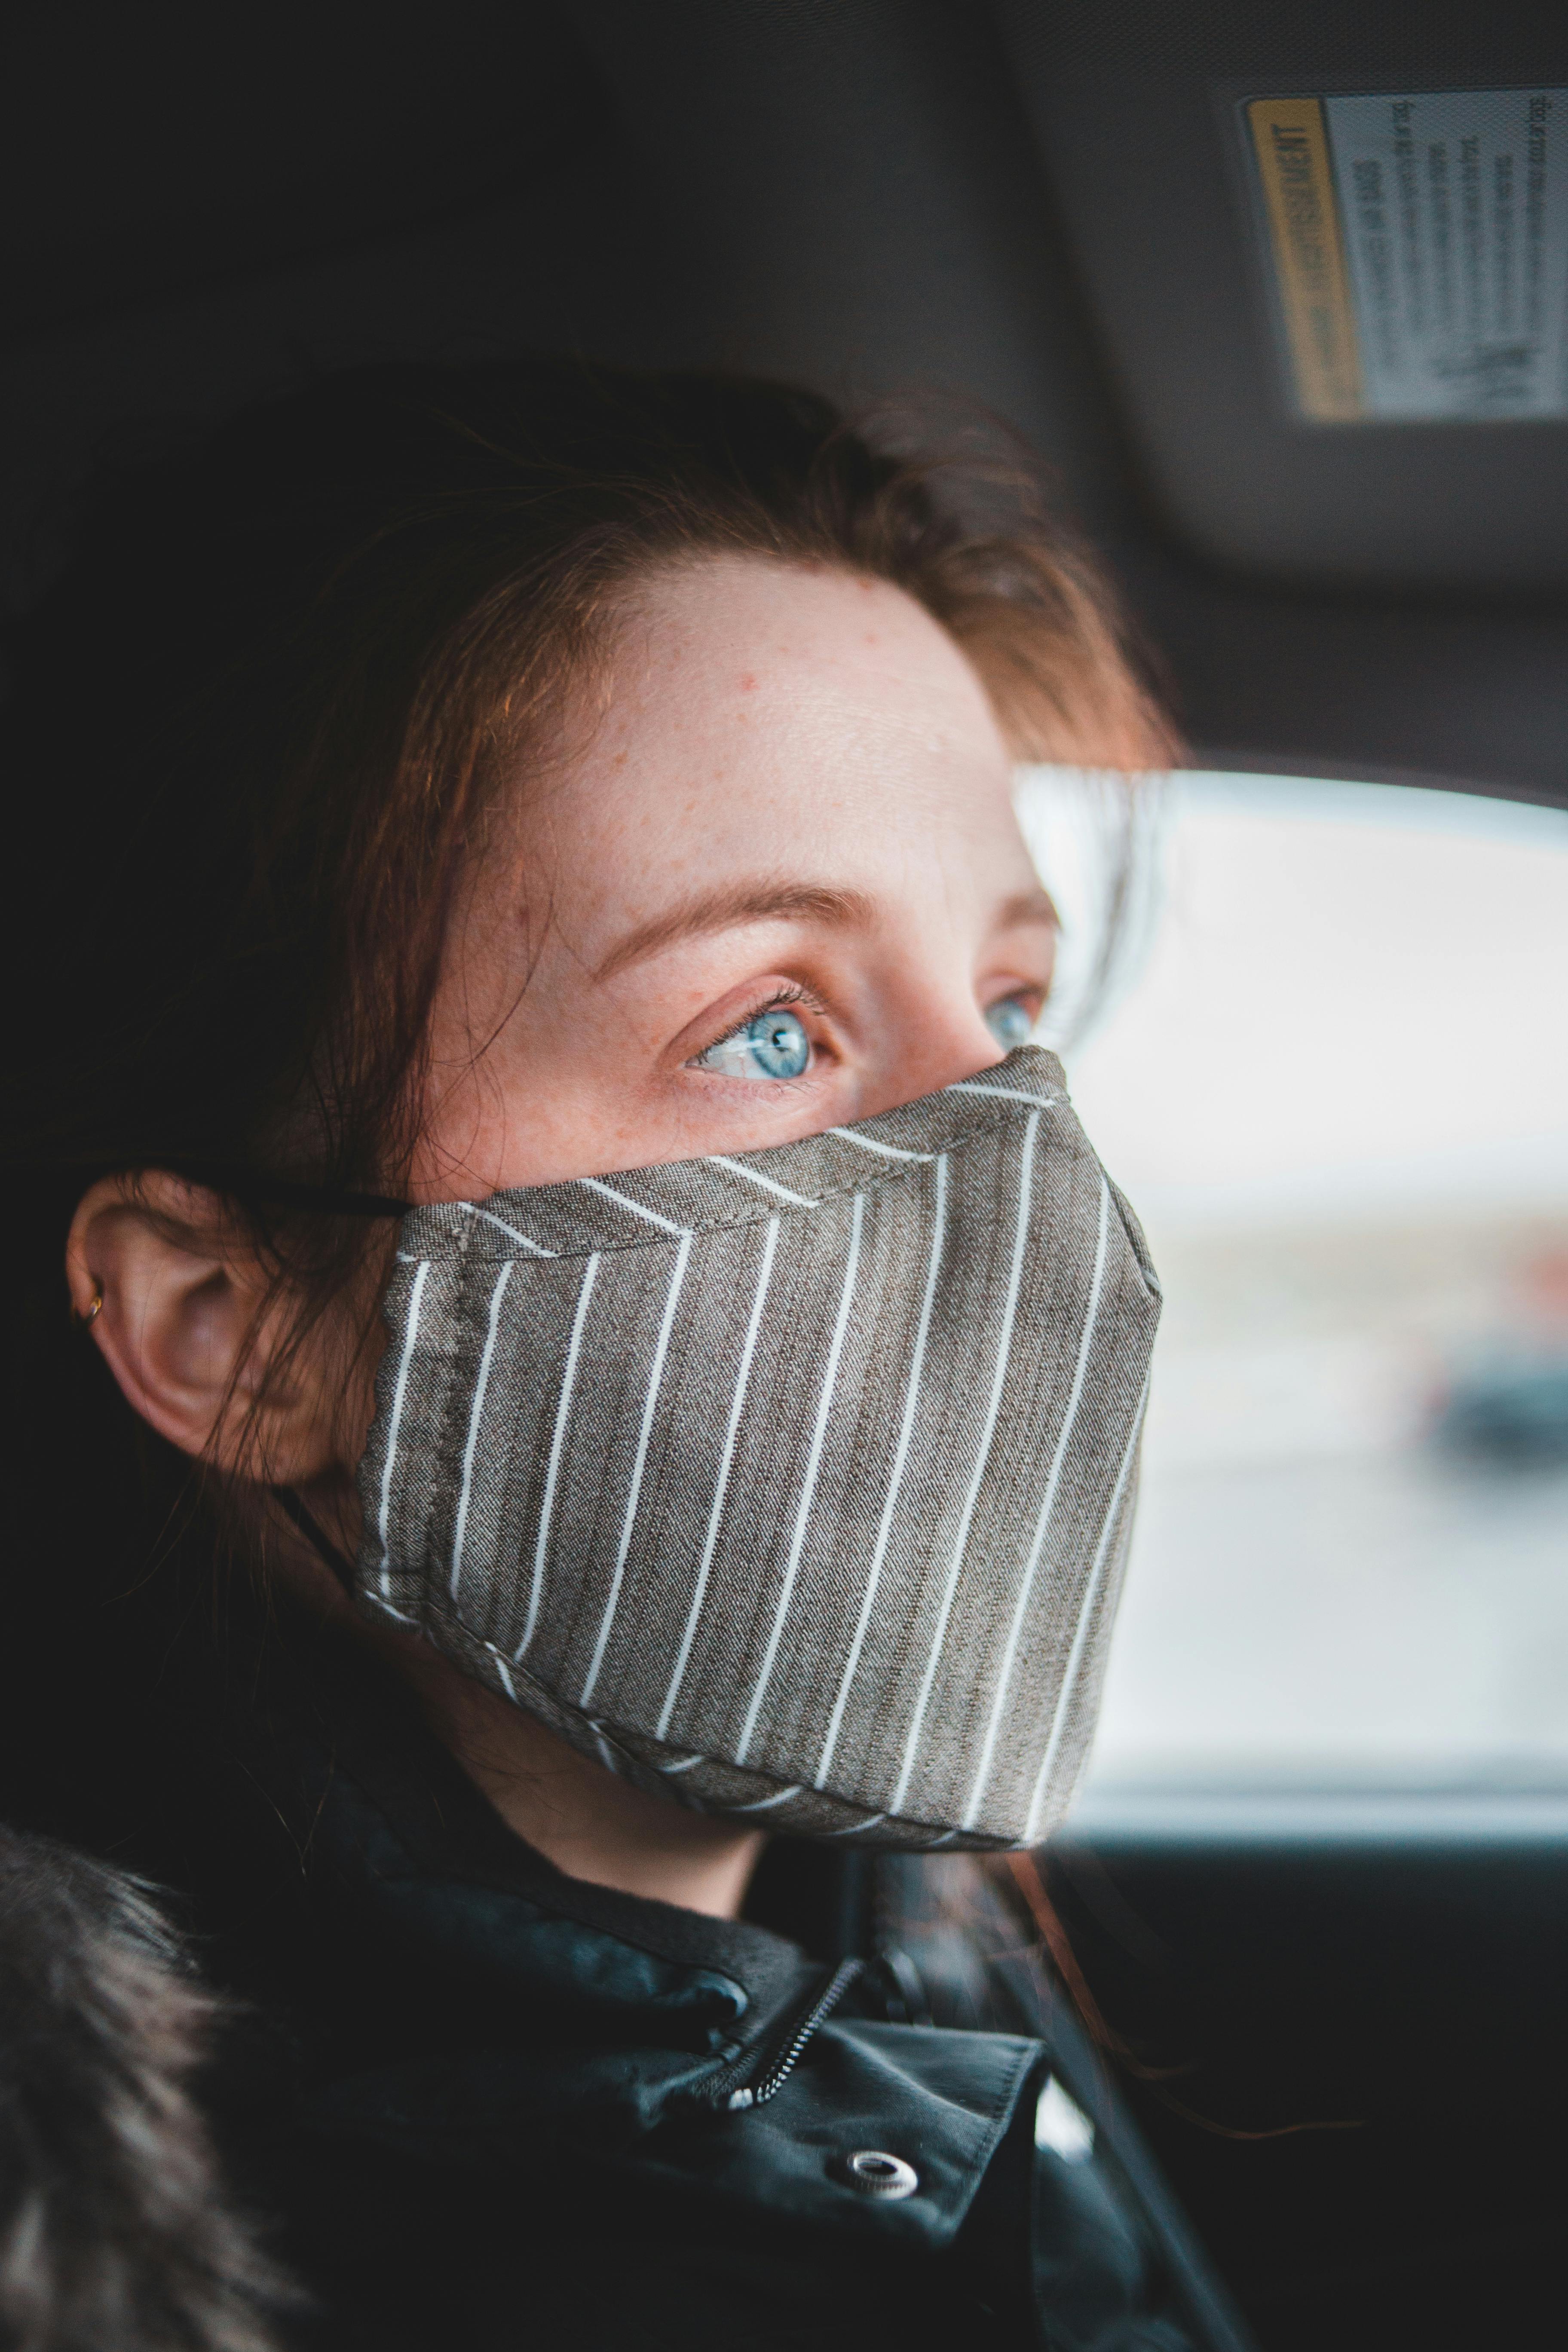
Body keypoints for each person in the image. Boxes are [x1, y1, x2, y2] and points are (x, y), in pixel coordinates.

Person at [0, 359, 1245, 2350]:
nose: (1026, 1155)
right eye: (772, 1026)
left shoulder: (868, 1943)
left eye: (1011, 998)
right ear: (228, 1331)